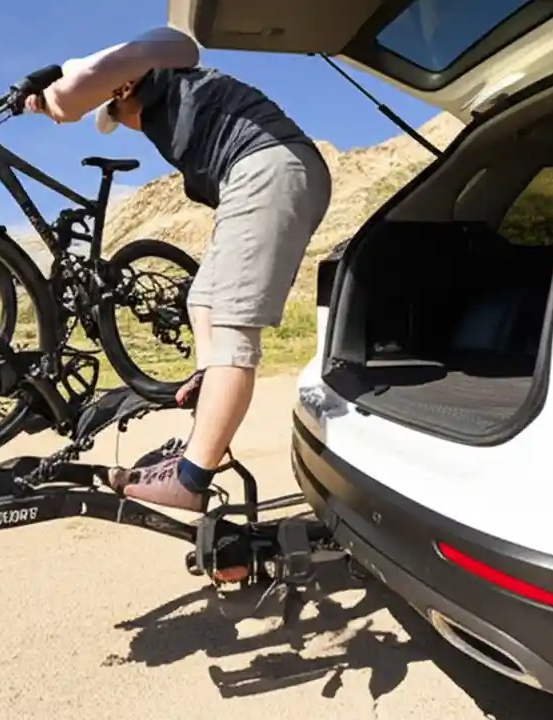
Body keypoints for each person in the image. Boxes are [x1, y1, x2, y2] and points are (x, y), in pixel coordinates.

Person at [24, 26, 332, 513]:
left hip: (266, 167)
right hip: (256, 175)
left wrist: (52, 97)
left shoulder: (166, 66)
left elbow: (87, 86)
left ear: (123, 90)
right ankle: (210, 403)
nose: (125, 124)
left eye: (116, 113)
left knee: (232, 332)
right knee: (202, 300)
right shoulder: (173, 88)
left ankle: (191, 479)